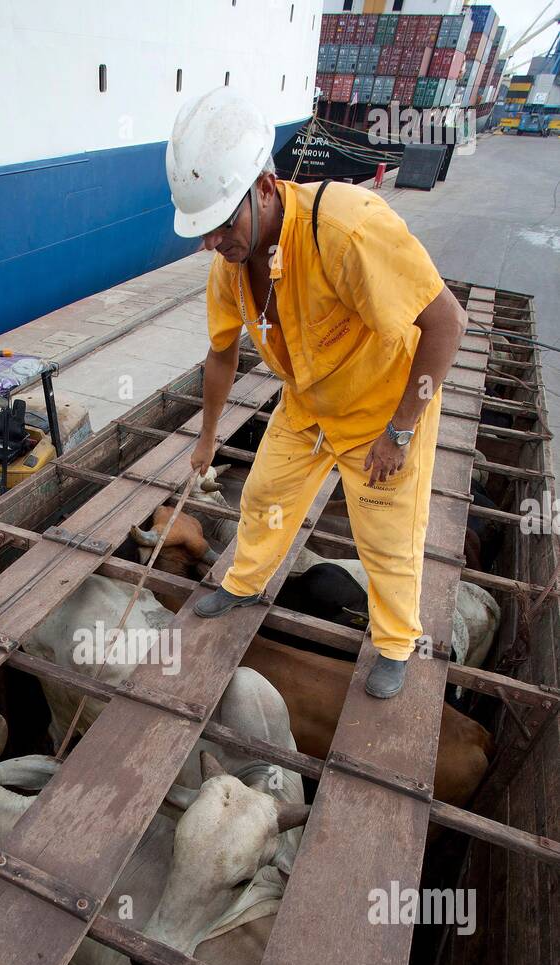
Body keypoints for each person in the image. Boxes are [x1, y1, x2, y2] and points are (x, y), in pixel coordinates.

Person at [165, 87, 468, 698]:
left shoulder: (348, 227)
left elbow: (447, 323)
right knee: (264, 493)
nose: (211, 243)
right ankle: (243, 582)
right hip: (308, 404)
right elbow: (222, 354)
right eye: (203, 233)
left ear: (267, 189)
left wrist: (401, 430)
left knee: (386, 536)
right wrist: (205, 439)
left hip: (383, 406)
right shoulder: (231, 266)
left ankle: (394, 643)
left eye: (221, 226)